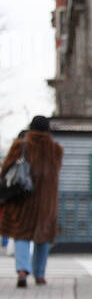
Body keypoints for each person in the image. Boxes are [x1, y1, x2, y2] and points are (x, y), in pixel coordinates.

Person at [0, 115, 64, 288]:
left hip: (23, 198)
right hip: (47, 201)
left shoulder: (21, 145)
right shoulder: (56, 149)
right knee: (43, 237)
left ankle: (22, 271)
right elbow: (56, 172)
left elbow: (6, 168)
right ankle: (40, 274)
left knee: (22, 234)